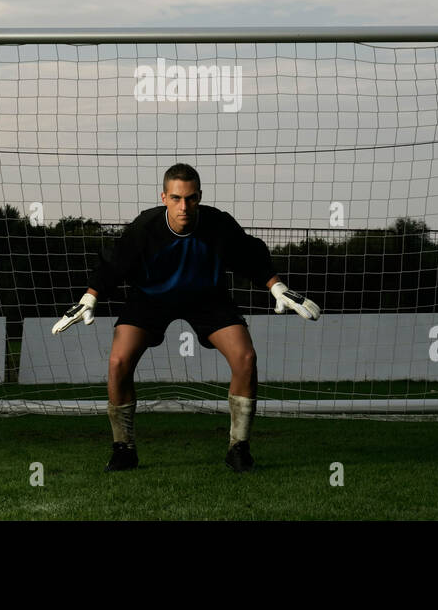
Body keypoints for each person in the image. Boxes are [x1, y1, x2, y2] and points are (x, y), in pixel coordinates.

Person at [51, 163, 321, 473]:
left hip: (207, 297)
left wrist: (278, 287)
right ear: (163, 197)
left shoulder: (217, 224)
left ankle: (239, 448)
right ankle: (123, 448)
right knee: (118, 362)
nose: (184, 206)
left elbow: (249, 254)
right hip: (151, 298)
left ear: (199, 197)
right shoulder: (146, 227)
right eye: (177, 198)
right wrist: (90, 295)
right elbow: (116, 262)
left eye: (191, 198)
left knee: (246, 358)